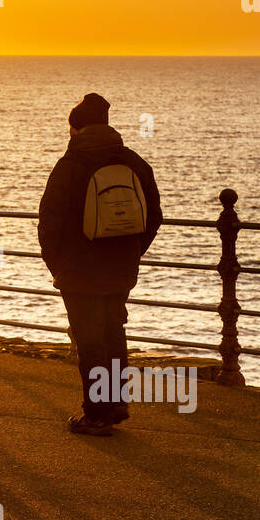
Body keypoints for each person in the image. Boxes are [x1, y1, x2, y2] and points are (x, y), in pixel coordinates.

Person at [38, 93, 162, 436]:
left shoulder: (70, 165)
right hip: (121, 268)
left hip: (78, 270)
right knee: (113, 332)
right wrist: (132, 253)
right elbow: (154, 216)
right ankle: (116, 401)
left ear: (75, 128)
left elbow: (49, 222)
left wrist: (58, 265)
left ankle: (96, 415)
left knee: (90, 341)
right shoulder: (134, 162)